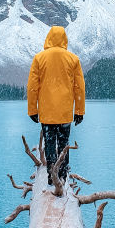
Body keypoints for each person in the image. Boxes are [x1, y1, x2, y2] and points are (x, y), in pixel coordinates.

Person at [27, 25, 86, 184]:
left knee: (50, 143)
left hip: (47, 112)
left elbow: (33, 87)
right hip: (65, 112)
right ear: (64, 39)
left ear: (49, 38)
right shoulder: (73, 59)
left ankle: (51, 175)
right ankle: (63, 174)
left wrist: (33, 110)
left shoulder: (39, 58)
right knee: (63, 144)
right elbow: (79, 88)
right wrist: (79, 111)